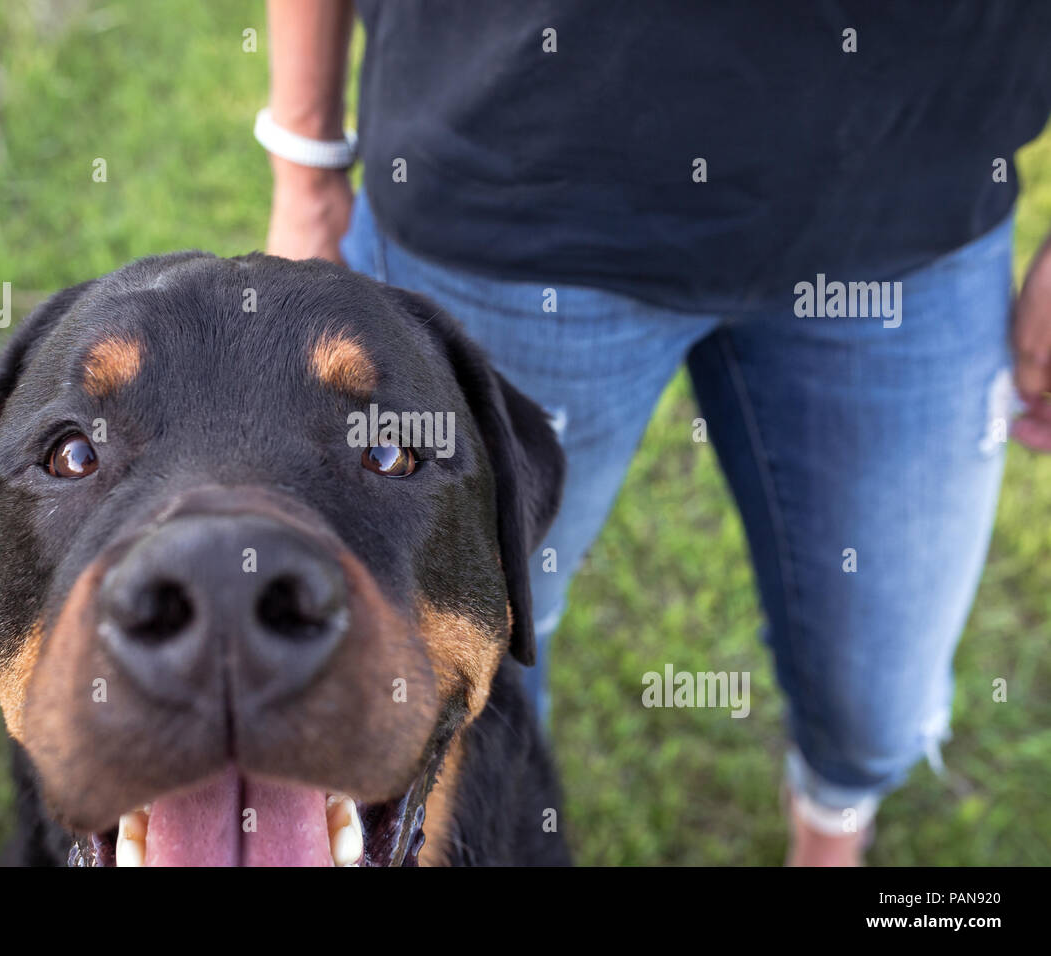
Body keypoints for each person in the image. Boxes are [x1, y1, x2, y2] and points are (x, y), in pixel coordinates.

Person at [260, 0, 1051, 866]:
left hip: (914, 196)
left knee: (881, 697)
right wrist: (304, 162)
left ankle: (831, 831)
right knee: (470, 649)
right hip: (506, 205)